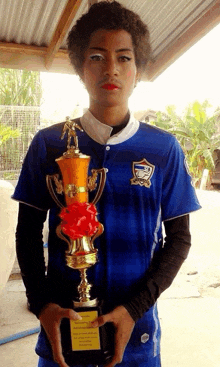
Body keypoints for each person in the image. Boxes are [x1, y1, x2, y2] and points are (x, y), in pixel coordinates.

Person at [13, 2, 201, 367]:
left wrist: (134, 308)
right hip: (62, 334)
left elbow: (179, 239)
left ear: (139, 69)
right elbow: (26, 231)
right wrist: (42, 305)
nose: (111, 68)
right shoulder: (49, 144)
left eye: (125, 58)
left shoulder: (163, 149)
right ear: (81, 67)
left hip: (137, 334)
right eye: (97, 56)